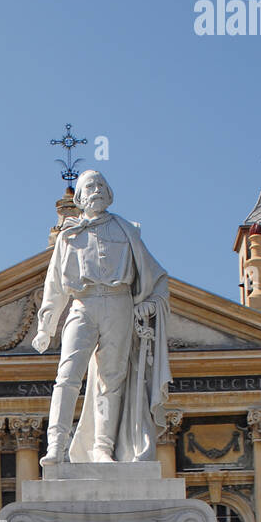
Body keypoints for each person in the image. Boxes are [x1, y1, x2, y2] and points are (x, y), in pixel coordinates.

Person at [33, 170, 171, 465]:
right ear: (80, 198)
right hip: (83, 303)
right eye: (90, 187)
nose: (96, 190)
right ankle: (56, 446)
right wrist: (46, 325)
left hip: (119, 302)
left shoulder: (127, 231)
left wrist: (149, 303)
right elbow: (55, 285)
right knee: (67, 376)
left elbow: (156, 276)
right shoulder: (68, 237)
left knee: (112, 380)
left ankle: (102, 449)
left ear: (109, 193)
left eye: (101, 185)